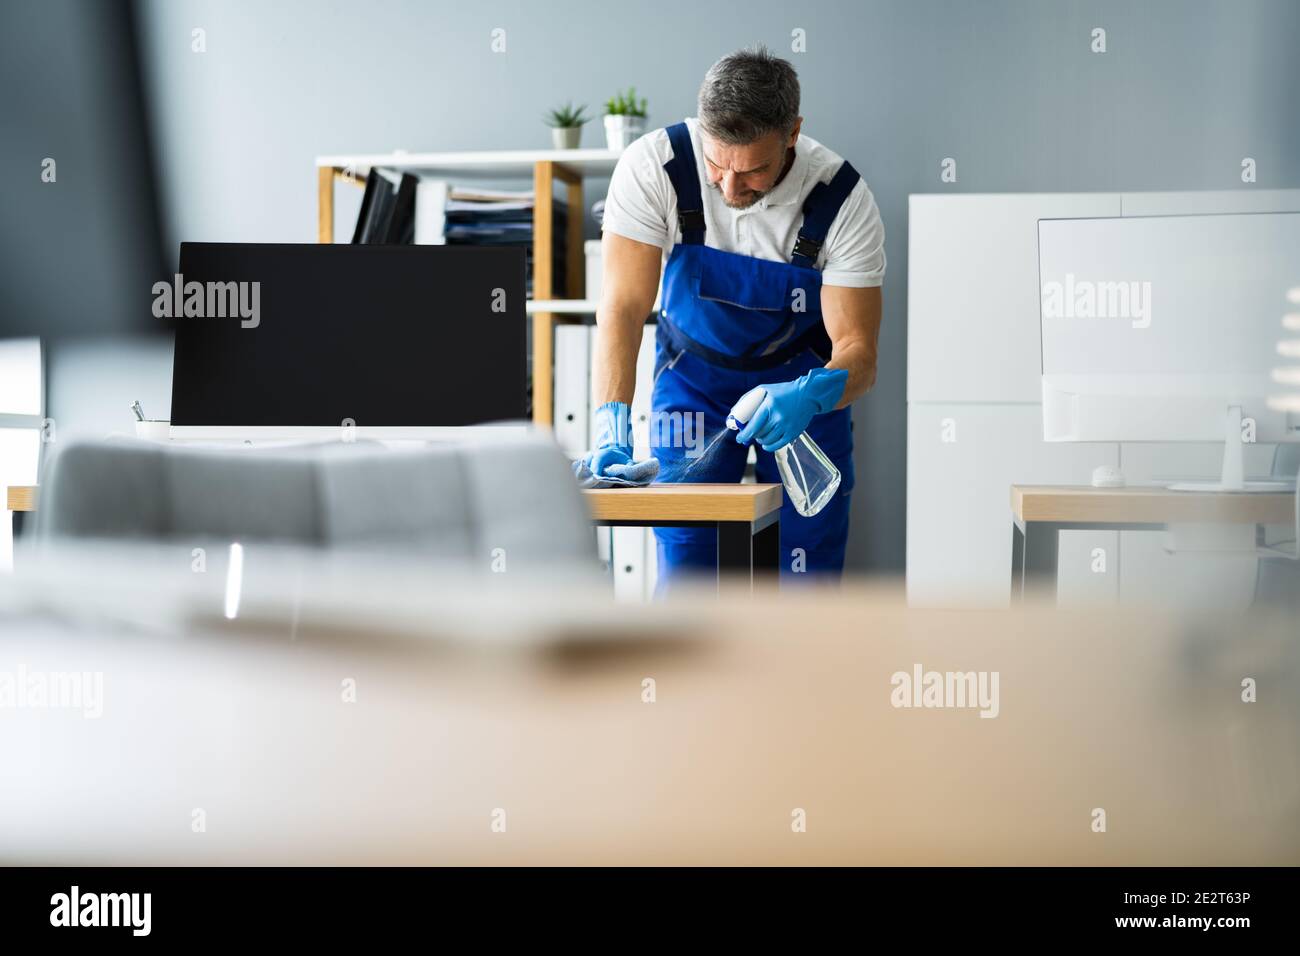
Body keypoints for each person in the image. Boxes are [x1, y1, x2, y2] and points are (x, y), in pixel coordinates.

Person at [584, 45, 885, 590]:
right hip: (692, 383)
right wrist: (611, 421)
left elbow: (859, 355)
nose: (728, 188)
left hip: (802, 388)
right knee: (689, 561)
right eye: (717, 165)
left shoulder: (842, 199)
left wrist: (811, 396)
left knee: (807, 563)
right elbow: (624, 308)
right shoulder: (655, 166)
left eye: (753, 172)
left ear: (792, 133)